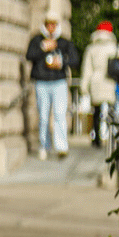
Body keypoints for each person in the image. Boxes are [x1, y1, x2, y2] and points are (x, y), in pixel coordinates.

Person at [26, 11, 79, 160]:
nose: (50, 27)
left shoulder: (63, 42)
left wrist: (62, 62)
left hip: (59, 81)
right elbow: (29, 56)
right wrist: (43, 48)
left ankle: (62, 146)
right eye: (48, 24)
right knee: (43, 115)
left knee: (59, 114)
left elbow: (75, 59)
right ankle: (44, 145)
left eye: (53, 24)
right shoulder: (37, 40)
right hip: (42, 81)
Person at [79, 20, 119, 148]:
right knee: (112, 111)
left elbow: (87, 69)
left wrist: (84, 86)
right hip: (110, 81)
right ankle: (112, 134)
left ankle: (96, 137)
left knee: (96, 111)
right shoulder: (116, 47)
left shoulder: (92, 48)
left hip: (96, 81)